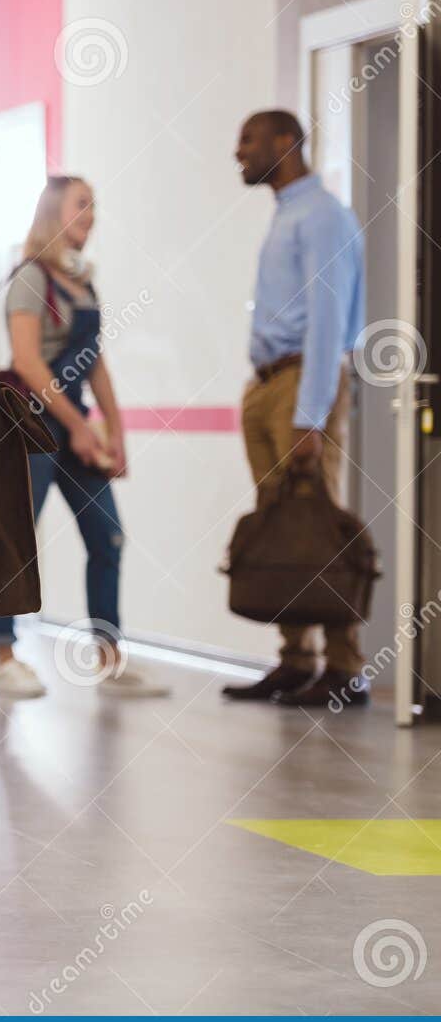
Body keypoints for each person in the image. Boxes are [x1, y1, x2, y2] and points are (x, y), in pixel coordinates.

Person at [0, 177, 168, 700]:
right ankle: (5, 659)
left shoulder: (83, 284)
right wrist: (80, 427)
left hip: (75, 429)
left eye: (94, 205)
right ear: (53, 213)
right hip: (34, 428)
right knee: (17, 542)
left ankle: (109, 661)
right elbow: (28, 362)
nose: (91, 214)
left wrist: (115, 431)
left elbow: (96, 363)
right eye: (81, 204)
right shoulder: (30, 278)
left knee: (107, 537)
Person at [224, 110, 367, 707]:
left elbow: (328, 321)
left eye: (248, 140)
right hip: (269, 383)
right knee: (282, 522)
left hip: (302, 381)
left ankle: (345, 667)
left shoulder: (322, 215)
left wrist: (311, 413)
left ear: (286, 142)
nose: (239, 152)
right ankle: (296, 659)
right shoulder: (288, 212)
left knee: (317, 520)